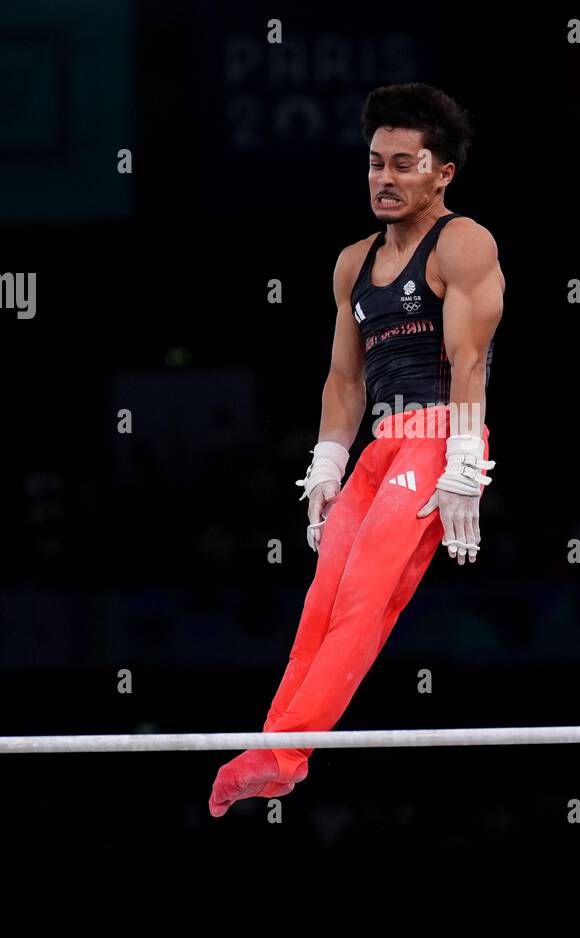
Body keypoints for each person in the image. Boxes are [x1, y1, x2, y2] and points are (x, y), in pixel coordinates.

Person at [210, 82, 504, 817]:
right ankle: (277, 754)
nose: (384, 178)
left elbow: (469, 359)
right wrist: (327, 465)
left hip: (439, 436)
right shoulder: (351, 263)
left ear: (442, 173)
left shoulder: (464, 243)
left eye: (404, 164)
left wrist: (465, 463)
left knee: (365, 599)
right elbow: (344, 380)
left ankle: (282, 750)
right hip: (379, 449)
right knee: (322, 601)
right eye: (376, 162)